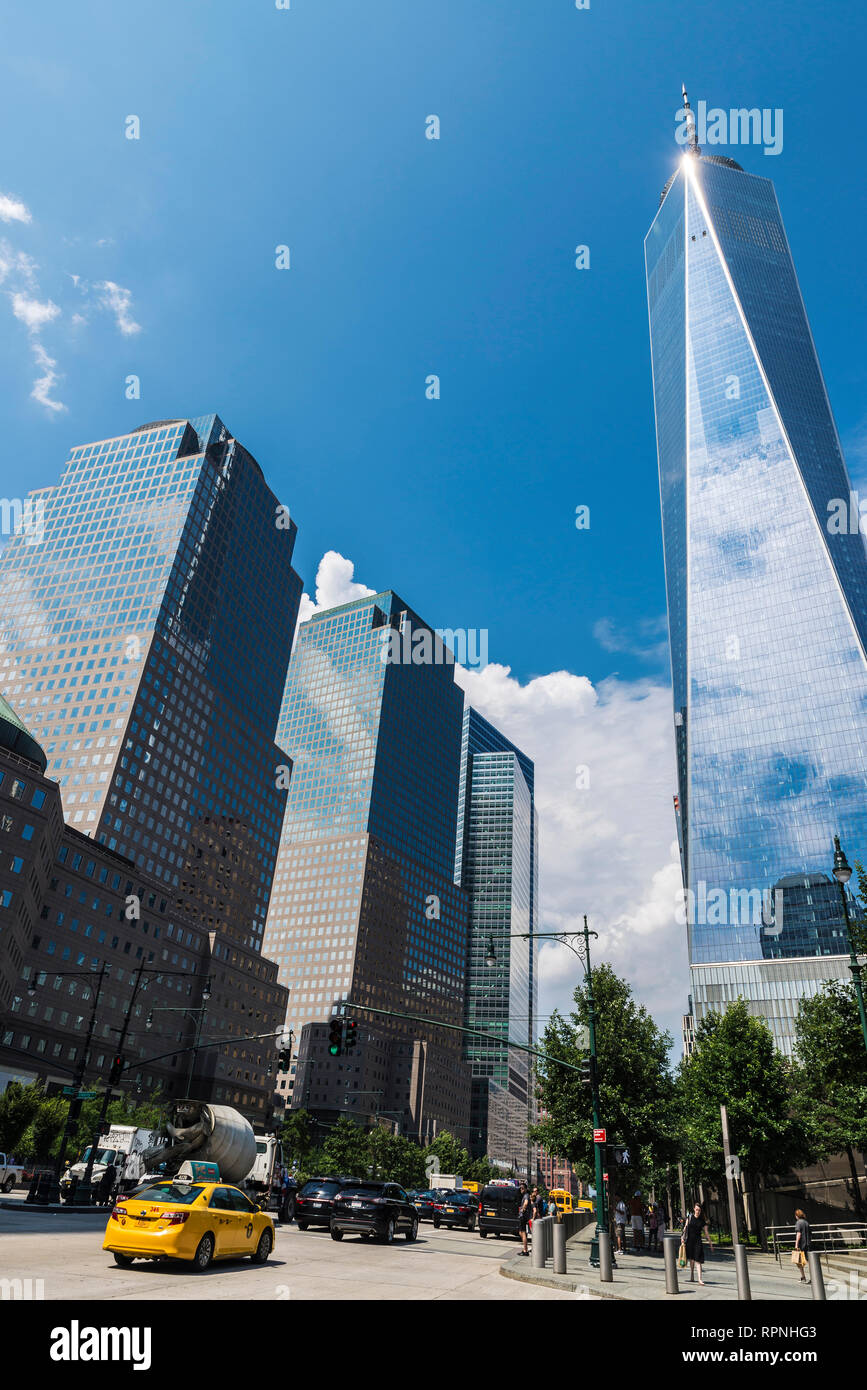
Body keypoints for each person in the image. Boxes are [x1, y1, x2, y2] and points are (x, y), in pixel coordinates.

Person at [682, 1202, 711, 1285]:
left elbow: (706, 1233)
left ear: (700, 1211)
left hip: (698, 1242)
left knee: (698, 1260)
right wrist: (682, 1237)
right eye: (696, 1209)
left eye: (699, 1210)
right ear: (694, 1209)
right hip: (690, 1242)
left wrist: (710, 1243)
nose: (697, 1211)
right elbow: (685, 1228)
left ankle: (700, 1279)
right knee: (691, 1260)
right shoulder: (690, 1217)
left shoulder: (702, 1221)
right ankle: (692, 1275)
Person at [793, 1208, 811, 1284]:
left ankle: (803, 1277)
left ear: (797, 1215)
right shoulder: (806, 1223)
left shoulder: (798, 1223)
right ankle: (813, 1277)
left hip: (801, 1245)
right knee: (809, 1261)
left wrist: (796, 1244)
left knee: (799, 1262)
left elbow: (799, 1234)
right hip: (808, 1244)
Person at [518, 1185, 533, 1256]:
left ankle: (525, 1250)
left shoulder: (526, 1195)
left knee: (523, 1233)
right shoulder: (525, 1195)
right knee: (521, 1232)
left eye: (522, 1188)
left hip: (523, 1216)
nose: (521, 1189)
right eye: (520, 1188)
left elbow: (526, 1203)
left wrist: (522, 1209)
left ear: (526, 1189)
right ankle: (525, 1249)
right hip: (523, 1216)